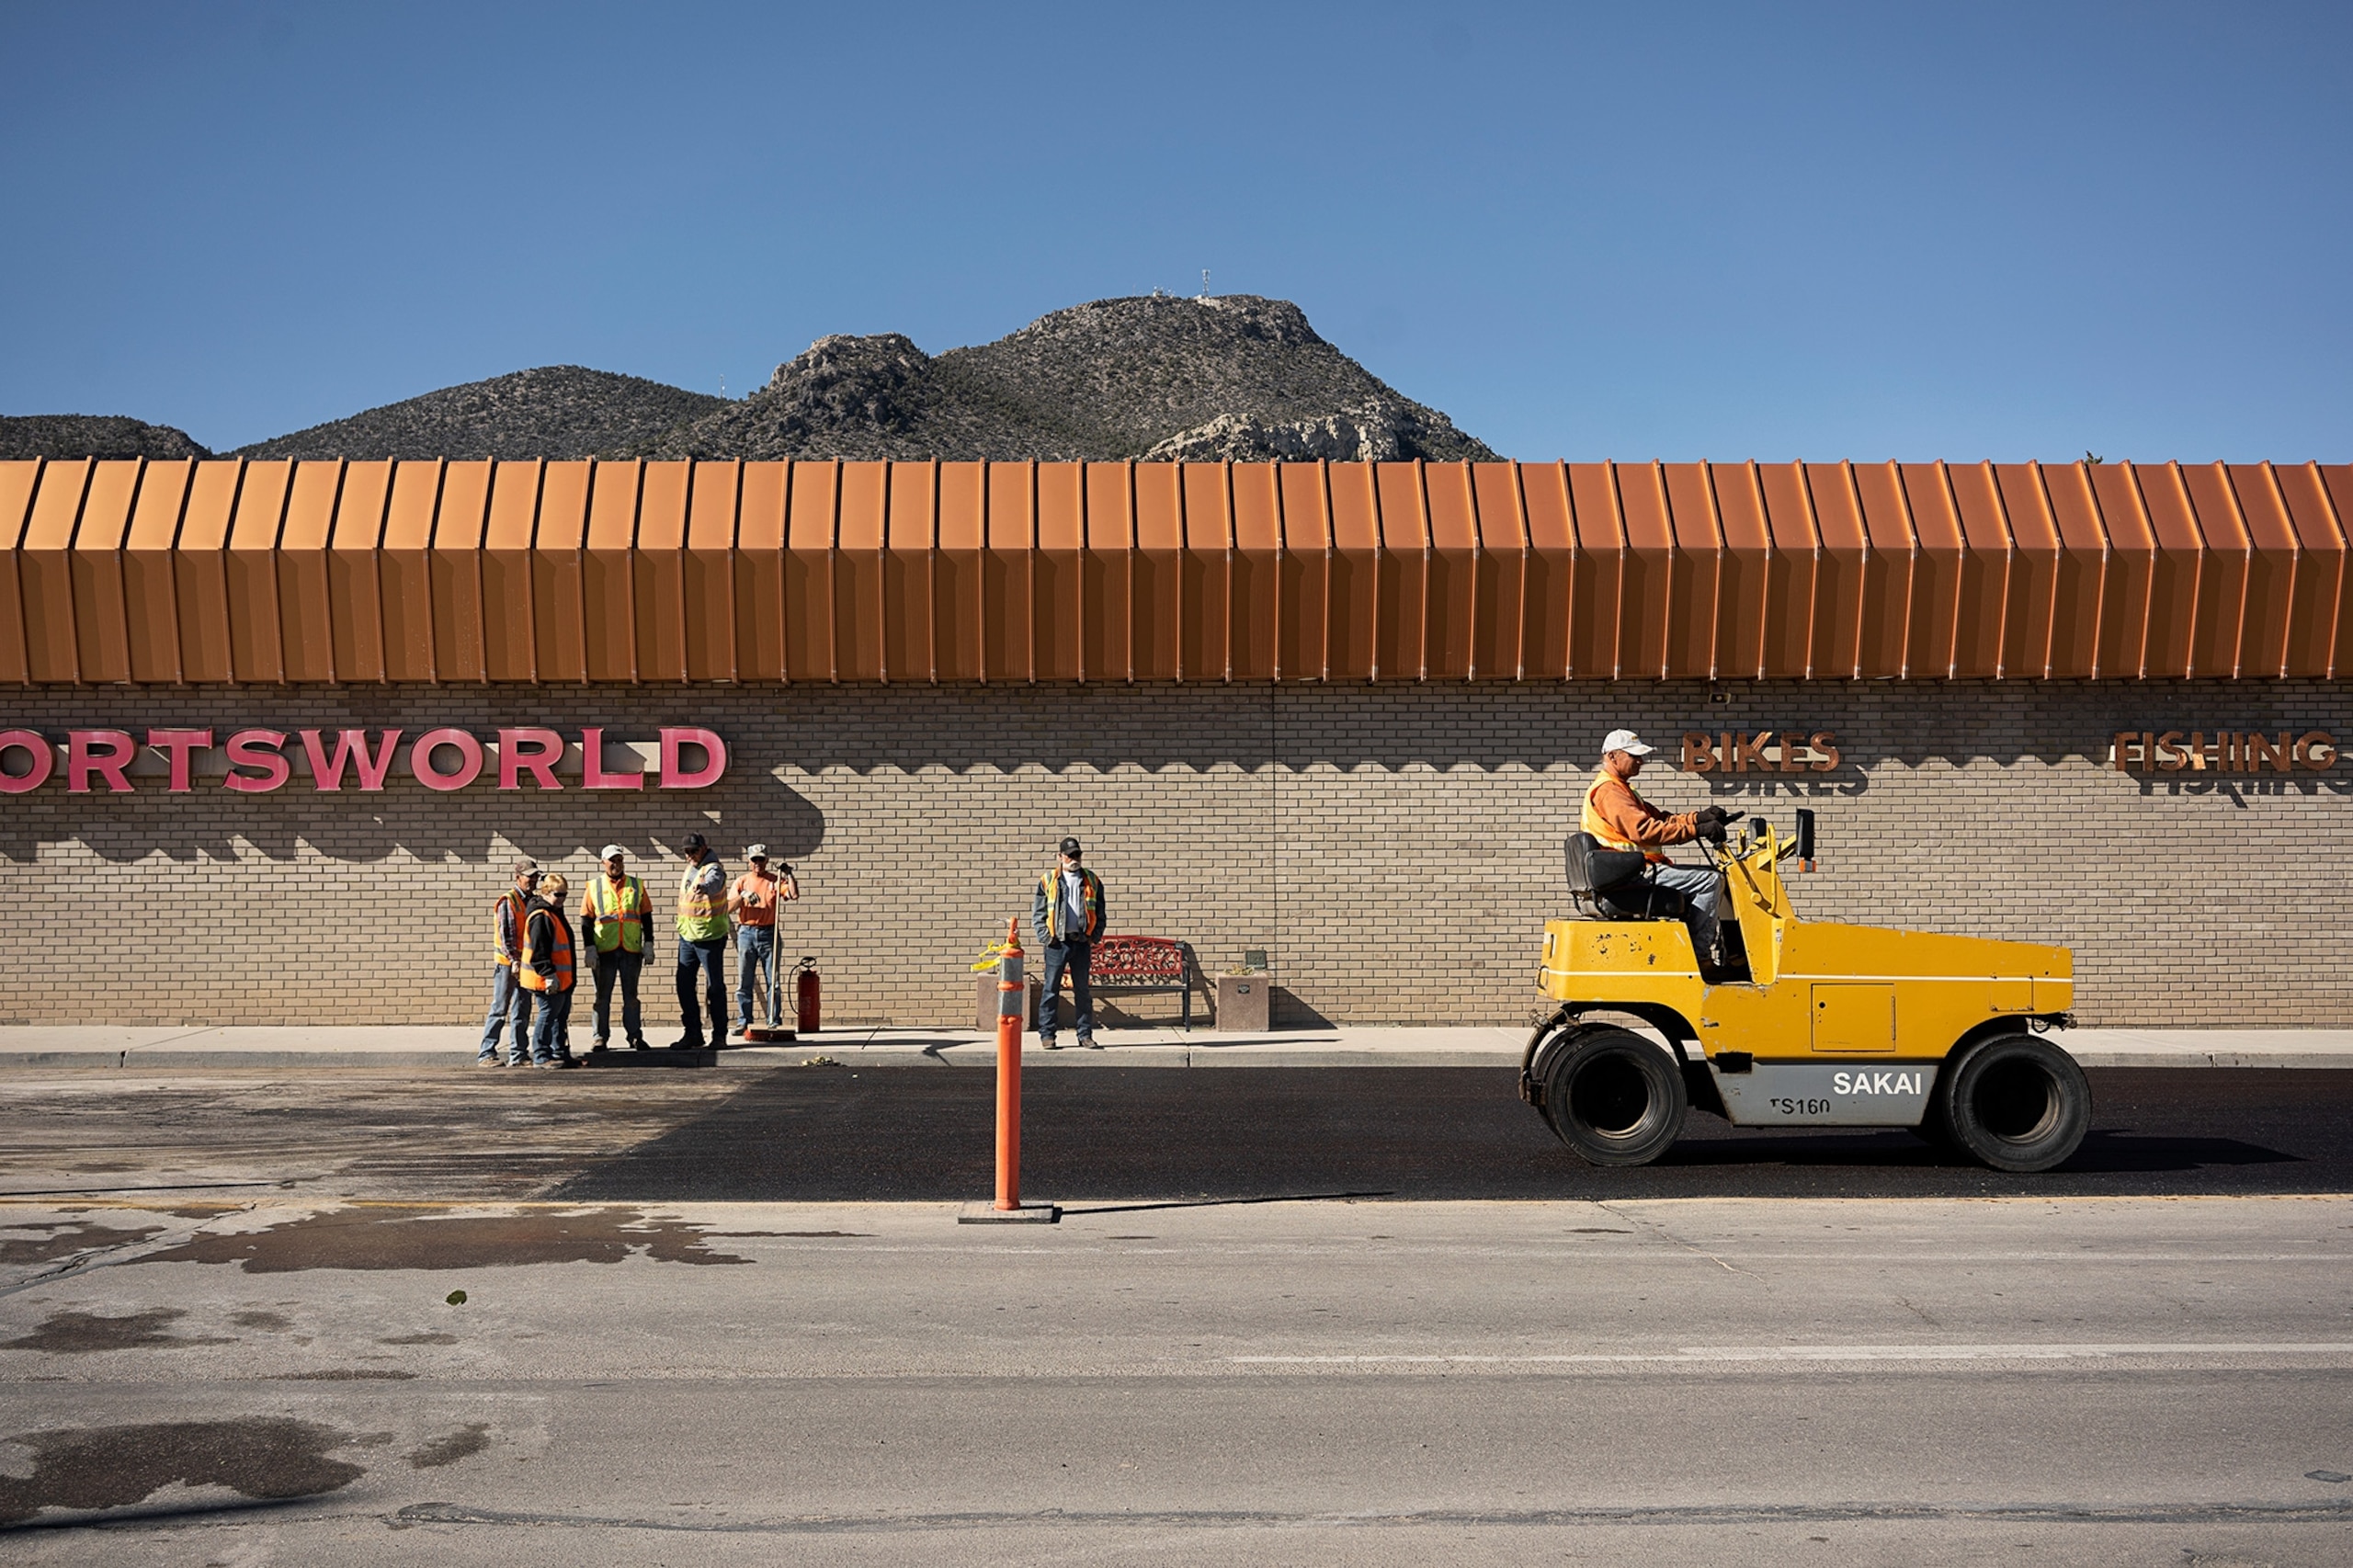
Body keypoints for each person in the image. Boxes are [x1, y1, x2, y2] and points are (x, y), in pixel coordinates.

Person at [1582, 728, 1732, 971]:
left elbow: (1661, 819)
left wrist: (1698, 819)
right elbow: (1645, 830)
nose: (1640, 761)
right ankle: (1701, 959)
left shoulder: (1622, 789)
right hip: (1633, 874)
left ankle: (1691, 951)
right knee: (1709, 880)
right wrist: (1698, 831)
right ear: (1612, 757)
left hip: (1633, 872)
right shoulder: (1610, 792)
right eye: (1634, 755)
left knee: (1704, 876)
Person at [1030, 836, 1106, 1050]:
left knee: (1082, 991)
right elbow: (1039, 912)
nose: (1074, 859)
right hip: (1057, 944)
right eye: (1069, 855)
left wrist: (1095, 936)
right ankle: (1047, 1035)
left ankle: (1085, 1035)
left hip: (1081, 942)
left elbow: (1101, 912)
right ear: (1060, 856)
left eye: (1077, 855)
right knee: (1051, 990)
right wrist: (1046, 937)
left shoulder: (1092, 879)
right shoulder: (1048, 880)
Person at [582, 844, 654, 1052]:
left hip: (631, 950)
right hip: (605, 951)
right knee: (602, 997)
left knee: (631, 996)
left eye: (619, 860)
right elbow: (586, 919)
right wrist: (589, 948)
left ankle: (635, 1036)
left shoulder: (636, 885)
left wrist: (649, 943)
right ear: (603, 862)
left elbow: (646, 916)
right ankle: (600, 1037)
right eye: (612, 860)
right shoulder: (594, 887)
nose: (616, 864)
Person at [727, 845, 799, 1035]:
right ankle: (744, 1021)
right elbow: (727, 907)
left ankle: (773, 1020)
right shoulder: (742, 881)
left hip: (769, 933)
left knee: (773, 982)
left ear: (766, 860)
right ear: (749, 861)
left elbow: (793, 894)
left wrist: (789, 875)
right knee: (745, 981)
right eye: (754, 860)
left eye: (761, 859)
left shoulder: (774, 880)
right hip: (746, 933)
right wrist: (742, 896)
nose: (758, 863)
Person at [477, 860, 540, 1066]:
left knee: (522, 1009)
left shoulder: (532, 901)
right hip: (508, 964)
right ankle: (486, 1053)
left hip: (525, 963)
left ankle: (518, 1054)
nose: (533, 880)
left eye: (535, 876)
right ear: (518, 877)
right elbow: (506, 935)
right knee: (500, 1008)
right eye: (529, 876)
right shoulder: (509, 900)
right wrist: (514, 960)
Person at [671, 832, 730, 1049]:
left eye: (693, 851)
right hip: (688, 936)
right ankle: (693, 1032)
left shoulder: (713, 868)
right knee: (684, 985)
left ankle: (720, 1035)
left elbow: (715, 882)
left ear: (704, 848)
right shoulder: (692, 867)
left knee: (715, 987)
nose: (689, 856)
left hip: (709, 937)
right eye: (686, 852)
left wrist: (705, 887)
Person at [517, 874, 581, 1069]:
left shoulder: (554, 912)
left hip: (562, 979)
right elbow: (539, 951)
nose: (561, 899)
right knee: (548, 1014)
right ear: (546, 892)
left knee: (559, 1016)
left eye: (565, 895)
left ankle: (559, 1052)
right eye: (558, 894)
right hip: (546, 978)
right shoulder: (541, 917)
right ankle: (541, 1055)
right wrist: (549, 974)